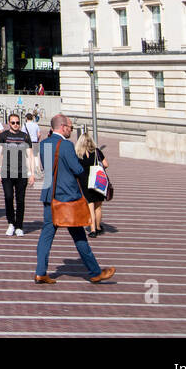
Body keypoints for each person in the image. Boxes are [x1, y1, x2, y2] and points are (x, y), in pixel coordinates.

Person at [34, 114, 115, 284]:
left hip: (50, 195)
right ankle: (94, 272)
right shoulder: (66, 145)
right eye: (70, 127)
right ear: (62, 127)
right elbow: (77, 169)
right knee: (79, 236)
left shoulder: (44, 144)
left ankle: (41, 272)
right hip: (68, 197)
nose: (71, 130)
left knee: (46, 236)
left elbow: (45, 167)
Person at [0, 113, 35, 237]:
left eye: (17, 122)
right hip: (6, 172)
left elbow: (30, 156)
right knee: (8, 197)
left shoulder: (25, 136)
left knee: (20, 200)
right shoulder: (3, 136)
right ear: (8, 123)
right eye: (13, 123)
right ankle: (11, 223)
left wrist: (32, 173)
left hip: (21, 172)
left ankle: (19, 225)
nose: (15, 125)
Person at [76, 131, 109, 237]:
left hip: (85, 181)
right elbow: (105, 164)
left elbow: (76, 169)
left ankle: (93, 229)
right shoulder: (97, 151)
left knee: (90, 205)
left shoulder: (78, 154)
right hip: (98, 180)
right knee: (98, 206)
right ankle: (99, 227)